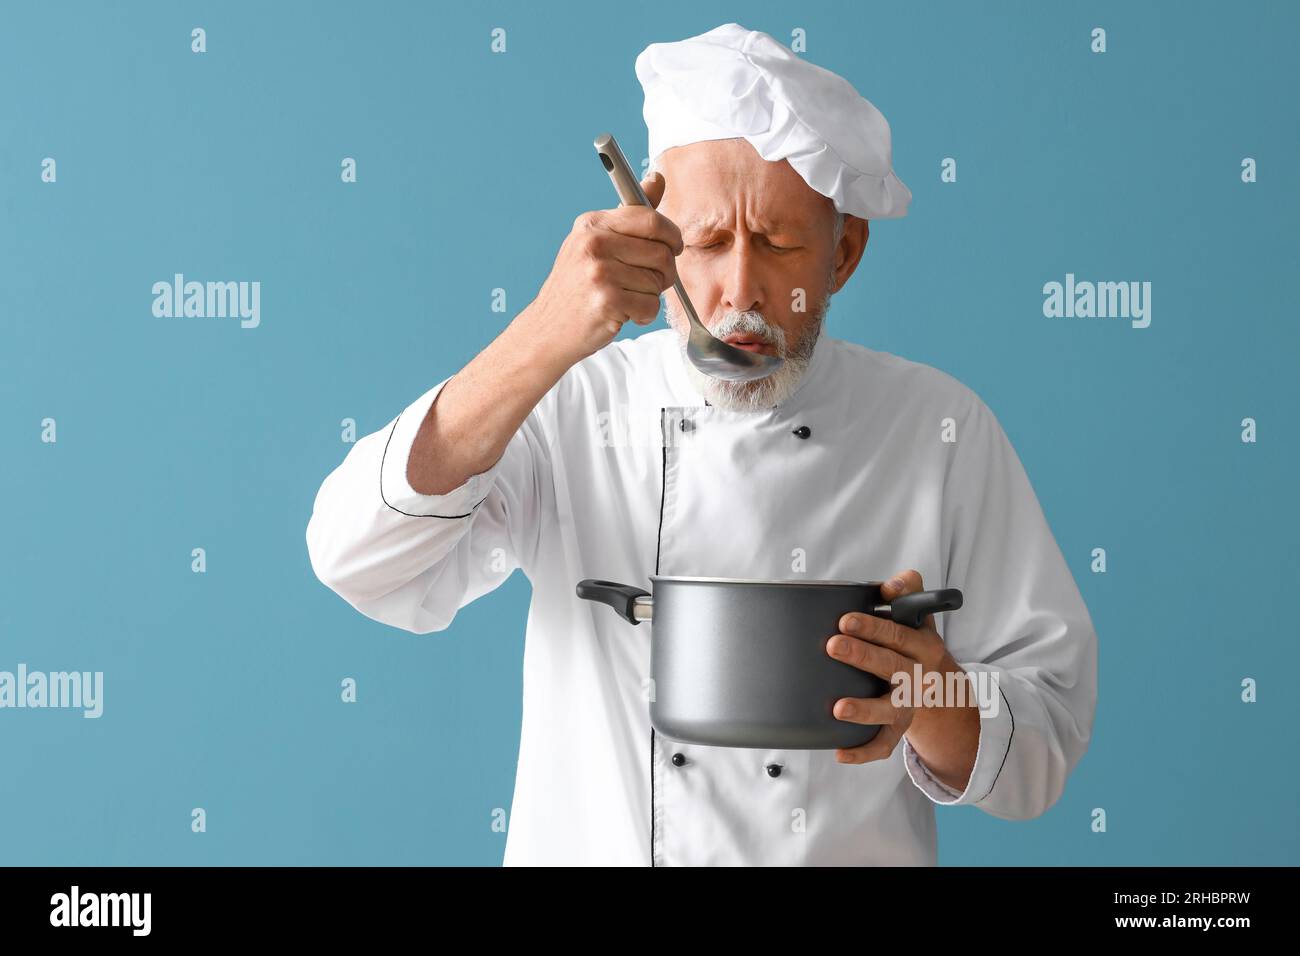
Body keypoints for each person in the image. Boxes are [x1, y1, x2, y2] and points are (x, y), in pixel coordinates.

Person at [305, 23, 1098, 866]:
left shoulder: (941, 426)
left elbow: (1045, 738)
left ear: (845, 255)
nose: (741, 291)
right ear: (652, 234)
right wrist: (542, 336)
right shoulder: (572, 405)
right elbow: (357, 557)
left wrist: (931, 696)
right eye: (708, 243)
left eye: (783, 244)